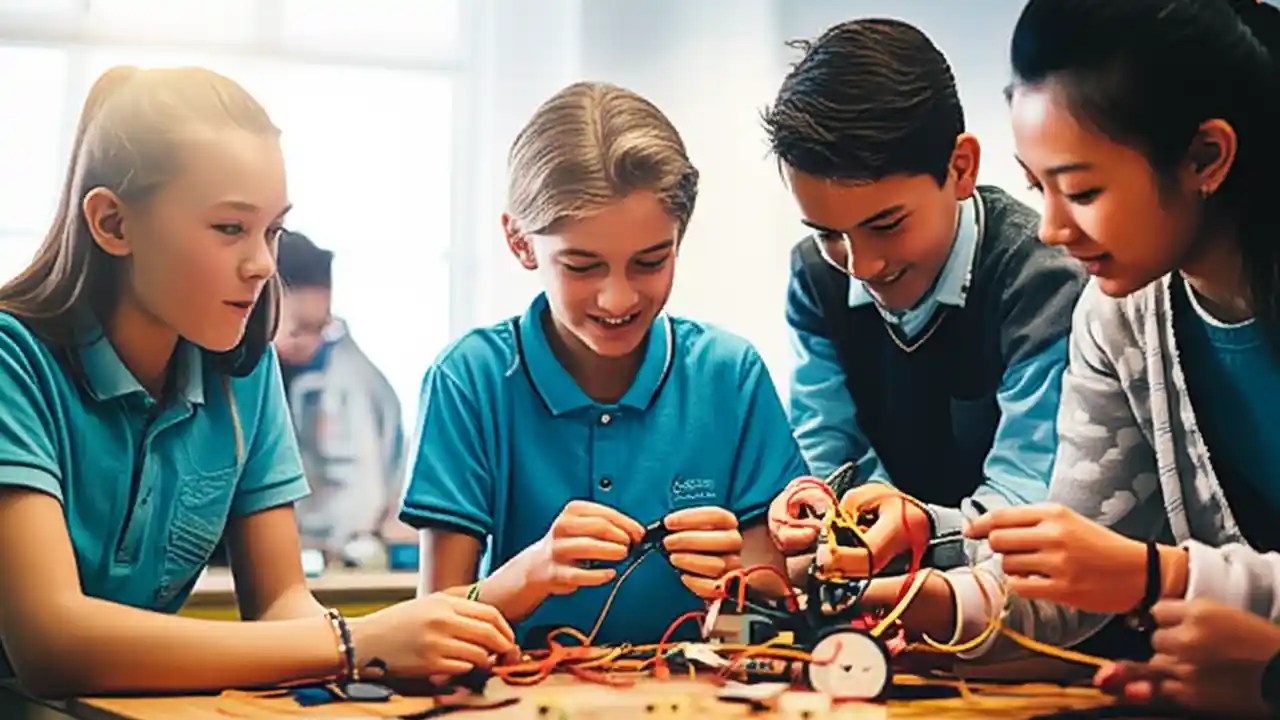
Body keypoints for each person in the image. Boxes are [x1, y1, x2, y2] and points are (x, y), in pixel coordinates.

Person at [0, 66, 514, 698]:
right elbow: (52, 644)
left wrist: (383, 658)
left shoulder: (240, 366)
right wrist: (357, 643)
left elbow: (280, 602)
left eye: (273, 229)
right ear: (113, 223)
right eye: (229, 229)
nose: (264, 264)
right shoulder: (12, 360)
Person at [862, 0, 1280, 709]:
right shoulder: (1119, 316)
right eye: (1037, 187)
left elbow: (1129, 572)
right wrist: (923, 598)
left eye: (1082, 190)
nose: (1052, 229)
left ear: (1206, 156)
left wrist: (1162, 579)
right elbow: (1077, 577)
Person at [400, 81, 807, 646]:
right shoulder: (470, 379)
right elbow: (428, 628)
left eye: (649, 262)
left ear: (679, 241)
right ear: (520, 242)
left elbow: (768, 632)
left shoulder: (729, 375)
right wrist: (525, 576)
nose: (617, 300)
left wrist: (735, 597)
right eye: (582, 266)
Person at [762, 18, 1085, 578]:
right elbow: (828, 449)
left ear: (960, 168)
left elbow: (1026, 509)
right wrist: (819, 510)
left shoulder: (1041, 281)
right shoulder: (815, 275)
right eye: (828, 233)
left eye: (885, 224)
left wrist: (912, 530)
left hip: (1021, 608)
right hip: (887, 609)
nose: (861, 267)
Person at [274, 230, 410, 569]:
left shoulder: (347, 385)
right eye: (297, 328)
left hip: (340, 552)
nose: (312, 342)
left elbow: (359, 495)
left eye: (320, 327)